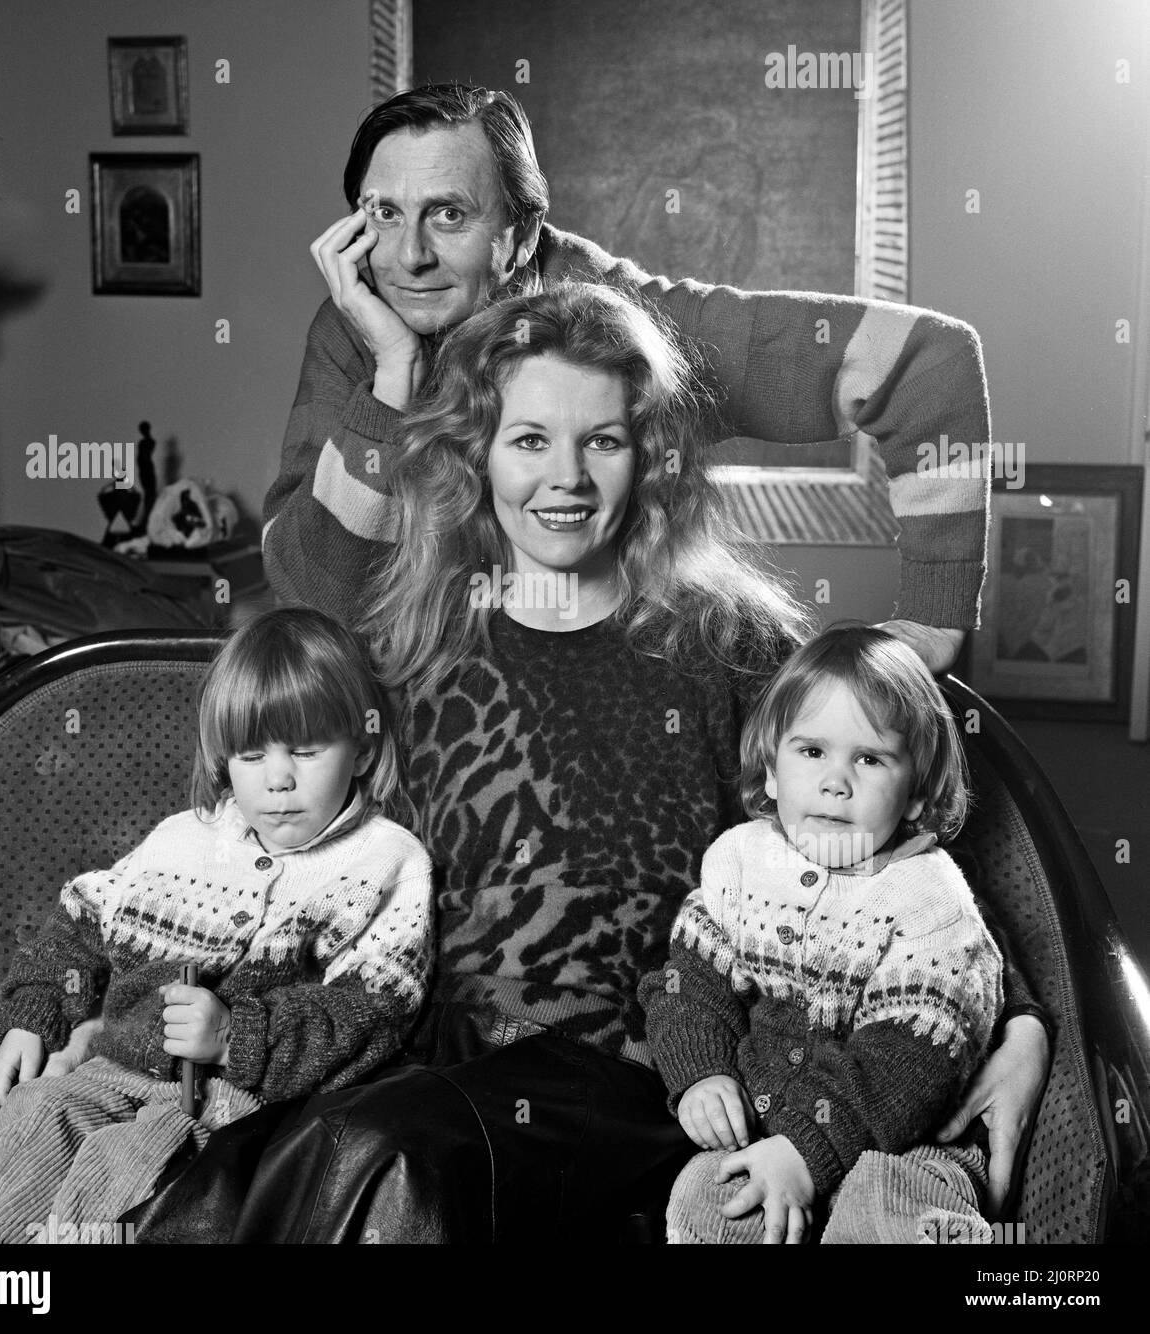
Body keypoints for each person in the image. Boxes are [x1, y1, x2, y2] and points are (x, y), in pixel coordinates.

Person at [129, 285, 1044, 1244]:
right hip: (424, 1057)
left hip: (644, 1076)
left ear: (651, 456)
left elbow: (897, 843)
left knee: (382, 1158)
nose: (563, 477)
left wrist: (1016, 1018)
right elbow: (276, 831)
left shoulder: (733, 642)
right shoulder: (411, 637)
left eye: (602, 441)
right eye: (528, 440)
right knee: (249, 1174)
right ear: (475, 451)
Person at [262, 82, 989, 675]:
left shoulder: (632, 333)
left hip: (628, 703)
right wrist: (393, 378)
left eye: (448, 214)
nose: (409, 255)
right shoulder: (357, 330)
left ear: (516, 236)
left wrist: (934, 616)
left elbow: (928, 361)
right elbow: (311, 608)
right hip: (427, 730)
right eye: (384, 214)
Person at [0, 608, 432, 1244]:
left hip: (236, 1104)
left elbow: (375, 1013)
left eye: (306, 749)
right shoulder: (183, 839)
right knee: (28, 1122)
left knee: (124, 1169)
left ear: (362, 749)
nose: (278, 779)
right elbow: (81, 922)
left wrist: (237, 1036)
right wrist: (34, 1016)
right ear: (224, 761)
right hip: (115, 1067)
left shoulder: (386, 861)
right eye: (251, 755)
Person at [640, 625, 1004, 1244]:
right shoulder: (741, 864)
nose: (837, 781)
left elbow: (907, 1065)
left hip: (906, 1147)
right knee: (704, 1204)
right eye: (811, 752)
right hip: (764, 1131)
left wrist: (807, 1150)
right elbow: (688, 984)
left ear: (916, 793)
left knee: (884, 1214)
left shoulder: (928, 901)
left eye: (870, 759)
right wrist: (700, 1071)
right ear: (773, 772)